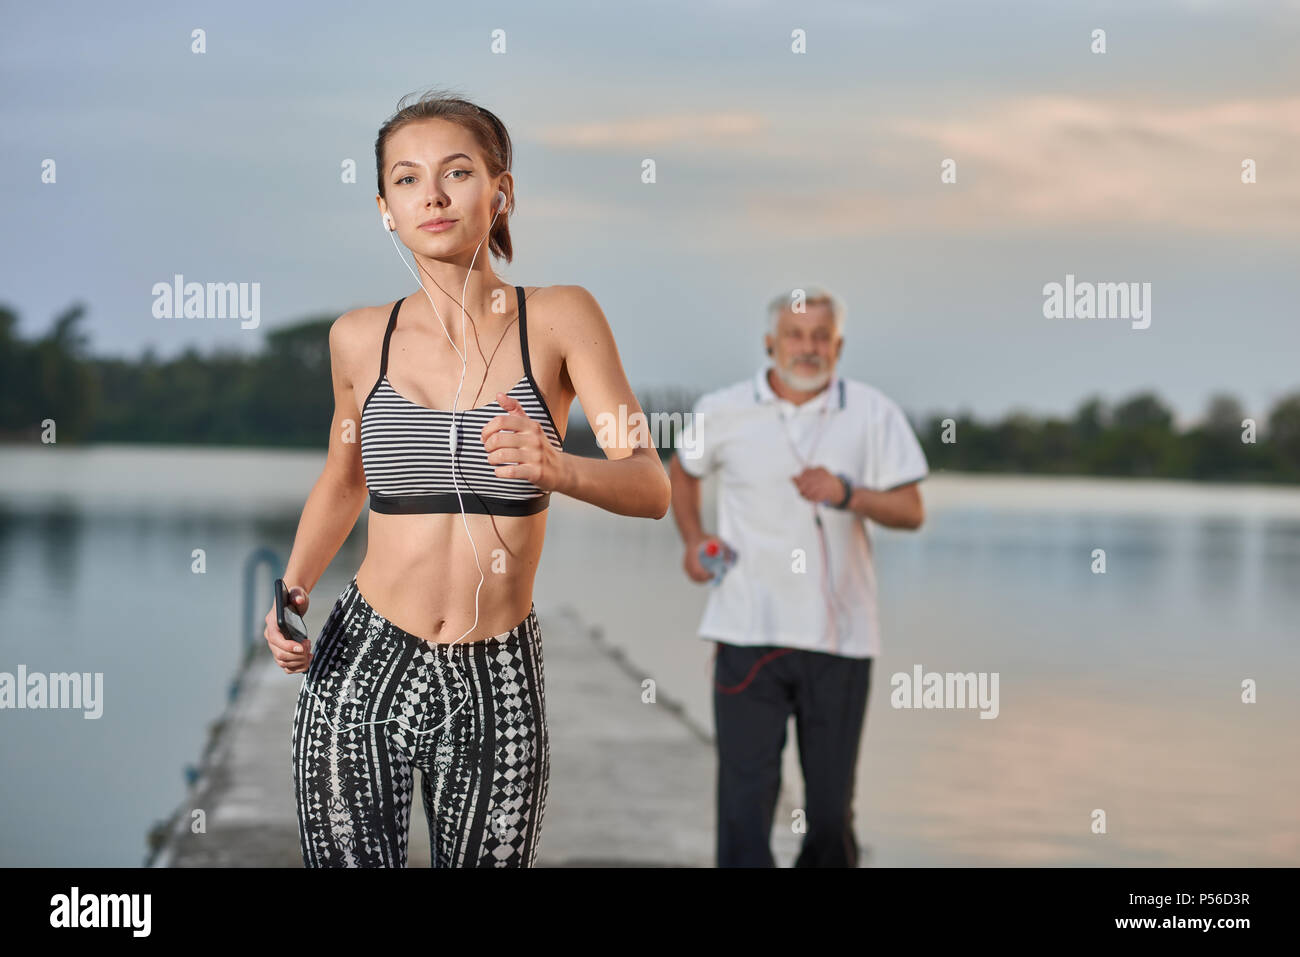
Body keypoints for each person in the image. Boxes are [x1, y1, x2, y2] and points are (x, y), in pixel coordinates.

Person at [264, 89, 671, 868]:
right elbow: (344, 481)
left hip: (497, 676)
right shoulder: (359, 338)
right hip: (364, 662)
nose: (434, 195)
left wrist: (559, 466)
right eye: (408, 179)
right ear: (385, 207)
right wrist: (289, 592)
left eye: (457, 172)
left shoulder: (560, 318)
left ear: (501, 190)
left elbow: (650, 485)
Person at [669, 286, 927, 867]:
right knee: (743, 804)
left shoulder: (872, 412)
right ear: (770, 343)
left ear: (838, 346)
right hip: (745, 631)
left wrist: (848, 493)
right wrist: (693, 542)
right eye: (795, 335)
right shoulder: (723, 408)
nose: (807, 348)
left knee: (832, 813)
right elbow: (681, 473)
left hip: (841, 641)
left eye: (820, 337)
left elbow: (911, 511)